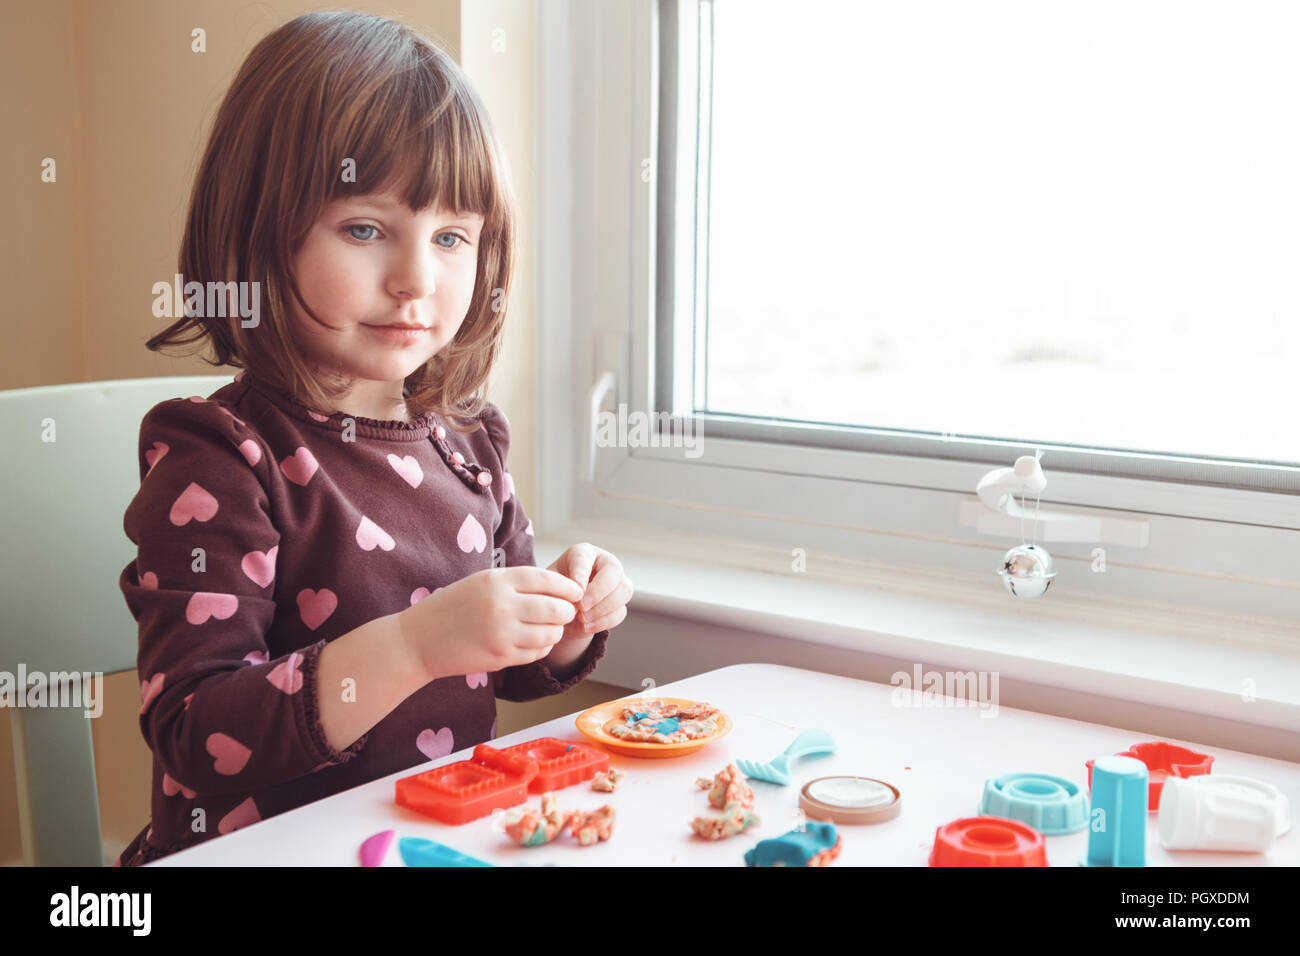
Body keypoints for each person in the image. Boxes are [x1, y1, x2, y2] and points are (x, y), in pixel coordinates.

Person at [114, 10, 632, 866]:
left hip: (429, 846)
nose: (415, 280)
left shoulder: (469, 443)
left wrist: (568, 619)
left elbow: (507, 671)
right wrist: (417, 643)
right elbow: (196, 733)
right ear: (257, 229)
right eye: (364, 229)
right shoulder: (217, 456)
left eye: (452, 237)